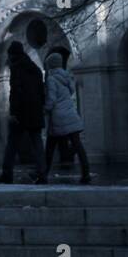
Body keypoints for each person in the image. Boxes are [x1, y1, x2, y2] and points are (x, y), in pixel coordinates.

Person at [0, 41, 47, 184]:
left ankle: (7, 173)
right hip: (35, 111)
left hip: (21, 113)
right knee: (37, 143)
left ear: (12, 55)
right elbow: (42, 91)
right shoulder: (34, 68)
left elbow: (16, 92)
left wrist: (13, 112)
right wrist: (41, 106)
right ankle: (42, 174)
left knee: (12, 143)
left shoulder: (16, 68)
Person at [42, 52, 91, 184]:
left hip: (58, 117)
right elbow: (70, 93)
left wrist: (45, 109)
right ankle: (86, 173)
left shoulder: (51, 79)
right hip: (71, 114)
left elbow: (52, 99)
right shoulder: (67, 77)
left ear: (50, 65)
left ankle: (43, 175)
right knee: (78, 145)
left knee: (49, 149)